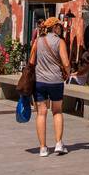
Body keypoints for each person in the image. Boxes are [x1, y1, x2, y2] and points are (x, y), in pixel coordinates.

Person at [30, 17, 72, 157]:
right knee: (57, 111)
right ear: (54, 27)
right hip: (55, 81)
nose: (60, 28)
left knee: (41, 113)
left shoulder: (38, 41)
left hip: (40, 81)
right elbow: (66, 63)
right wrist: (68, 73)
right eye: (59, 26)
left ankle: (43, 148)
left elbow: (31, 60)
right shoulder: (60, 42)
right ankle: (59, 143)